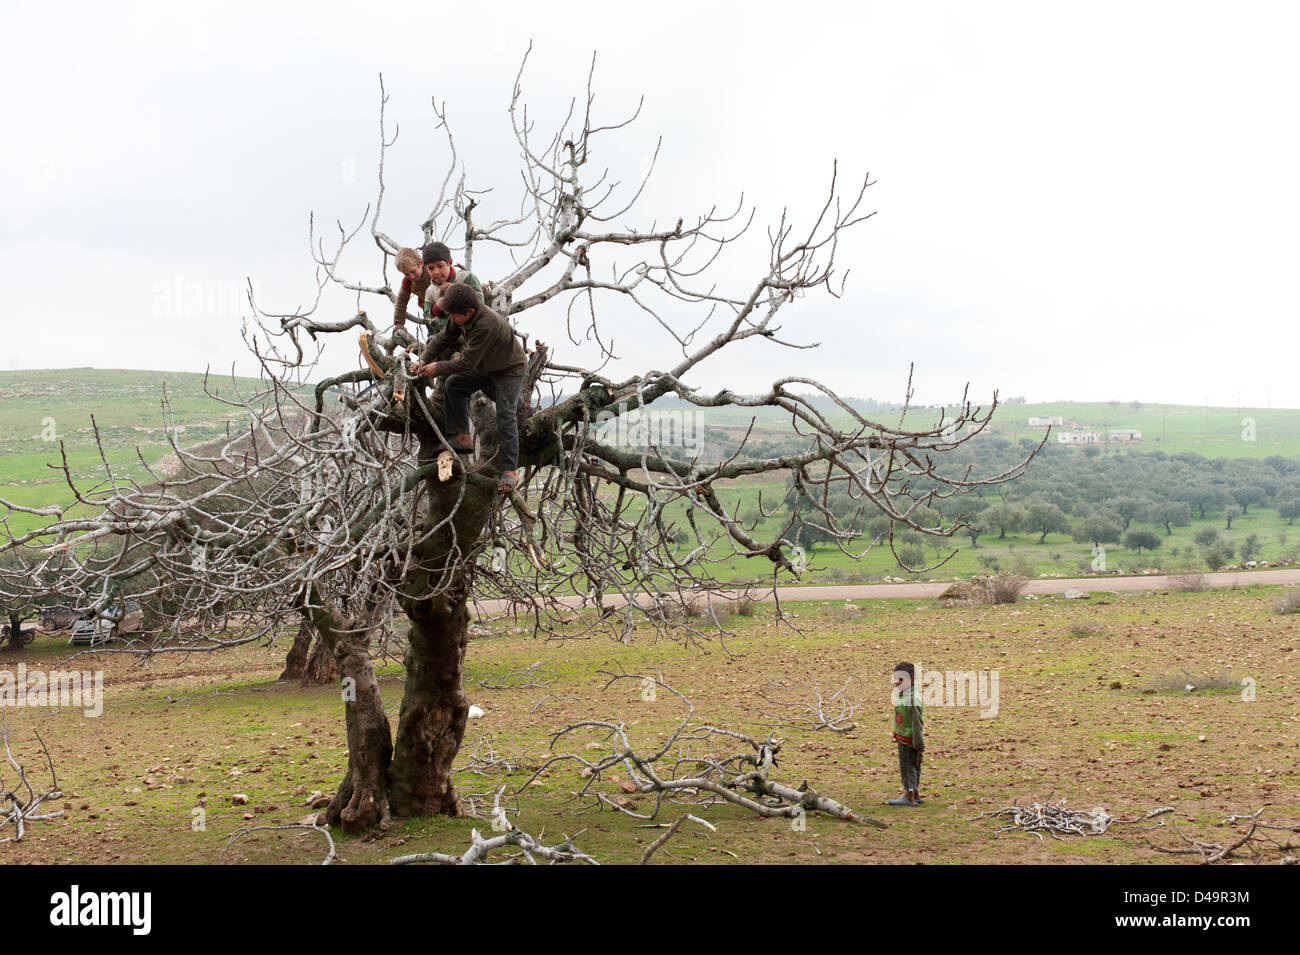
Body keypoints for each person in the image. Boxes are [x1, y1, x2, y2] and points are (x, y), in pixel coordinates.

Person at [410, 284, 526, 493]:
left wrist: (437, 368)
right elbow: (444, 338)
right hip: (488, 366)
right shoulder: (459, 313)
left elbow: (466, 363)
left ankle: (510, 470)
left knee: (506, 415)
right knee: (454, 384)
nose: (452, 320)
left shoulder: (486, 324)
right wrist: (423, 359)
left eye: (454, 316)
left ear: (469, 312)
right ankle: (460, 436)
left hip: (509, 369)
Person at [420, 241, 484, 329]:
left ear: (450, 262)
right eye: (431, 268)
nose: (436, 272)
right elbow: (427, 318)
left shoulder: (466, 278)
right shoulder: (430, 291)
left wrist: (458, 292)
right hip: (448, 333)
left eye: (440, 266)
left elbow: (480, 303)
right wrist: (437, 308)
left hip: (472, 327)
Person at [888, 662, 924, 807]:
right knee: (913, 767)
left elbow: (917, 724)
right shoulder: (904, 694)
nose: (897, 682)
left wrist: (918, 745)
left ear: (912, 679)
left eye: (900, 679)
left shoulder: (912, 699)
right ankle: (915, 793)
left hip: (909, 741)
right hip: (906, 738)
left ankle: (909, 796)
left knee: (907, 768)